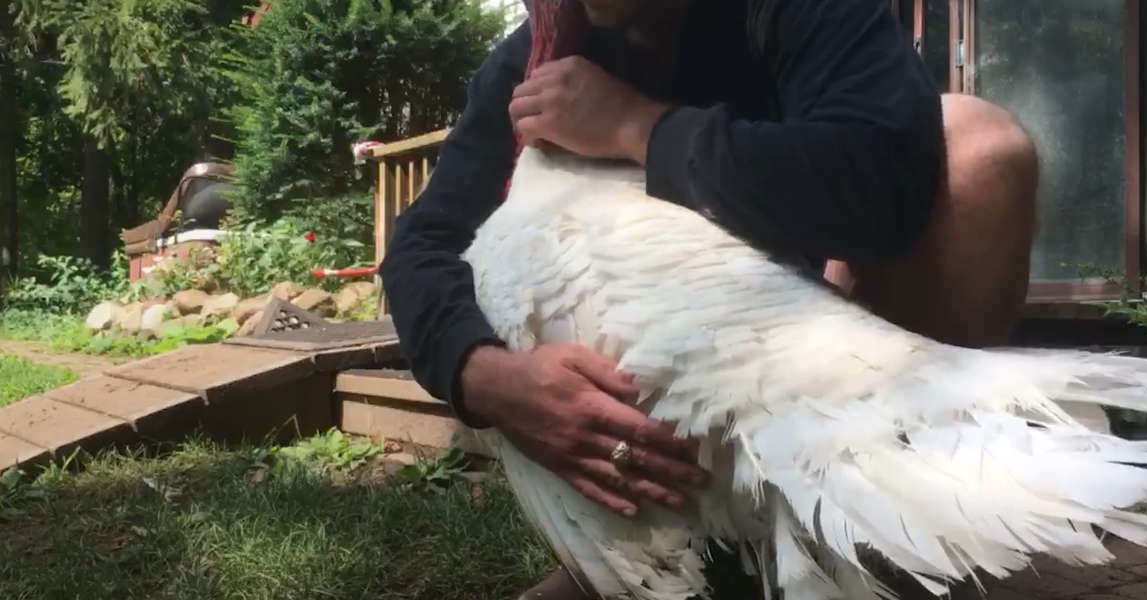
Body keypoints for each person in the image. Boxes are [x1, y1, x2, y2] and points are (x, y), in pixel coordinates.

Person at [380, 0, 1038, 597]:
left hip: (819, 349)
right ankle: (664, 550)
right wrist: (487, 377)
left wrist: (637, 127)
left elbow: (882, 184)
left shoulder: (801, 13)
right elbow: (420, 249)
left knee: (979, 147)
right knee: (509, 272)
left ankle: (877, 531)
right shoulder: (535, 58)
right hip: (674, 397)